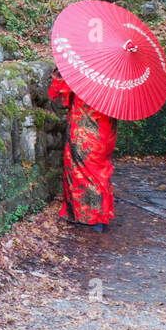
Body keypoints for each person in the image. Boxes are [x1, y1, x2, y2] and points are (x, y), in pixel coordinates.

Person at [50, 72, 116, 232]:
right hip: (106, 129)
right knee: (100, 169)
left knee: (83, 171)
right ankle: (100, 215)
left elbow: (59, 98)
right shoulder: (115, 76)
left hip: (85, 128)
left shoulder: (82, 72)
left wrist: (59, 75)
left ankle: (90, 218)